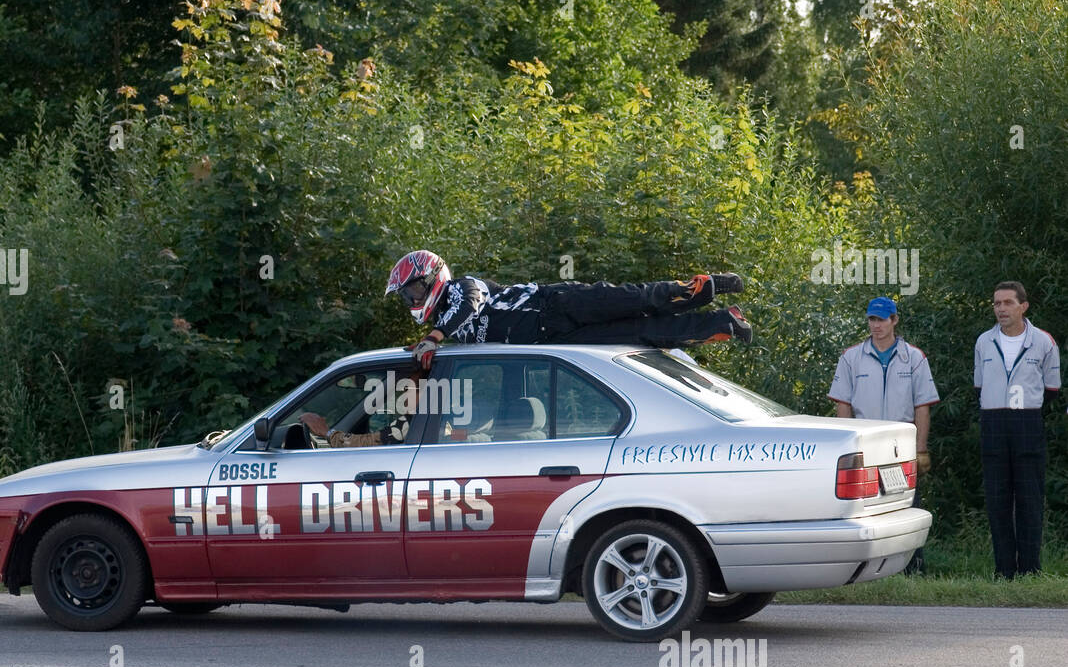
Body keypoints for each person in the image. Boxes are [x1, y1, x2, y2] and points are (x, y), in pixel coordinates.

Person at [385, 250, 753, 369]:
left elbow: (470, 305)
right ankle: (722, 324)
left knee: (635, 298)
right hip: (557, 339)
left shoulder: (464, 287)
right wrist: (422, 355)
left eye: (415, 288)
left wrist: (433, 338)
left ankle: (703, 288)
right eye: (407, 295)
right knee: (640, 334)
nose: (414, 299)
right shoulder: (447, 333)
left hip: (554, 303)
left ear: (434, 275)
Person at [828, 296, 939, 573]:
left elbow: (922, 406)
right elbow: (843, 404)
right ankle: (866, 570)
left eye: (881, 320)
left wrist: (921, 449)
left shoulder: (913, 357)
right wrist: (847, 446)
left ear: (894, 320)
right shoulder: (851, 357)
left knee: (906, 507)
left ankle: (913, 567)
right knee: (866, 510)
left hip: (901, 446)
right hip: (865, 445)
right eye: (872, 320)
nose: (875, 326)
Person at [974, 281, 1061, 578]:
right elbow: (980, 386)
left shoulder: (1043, 341)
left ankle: (1030, 570)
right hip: (993, 423)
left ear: (1023, 306)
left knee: (1029, 499)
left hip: (1028, 423)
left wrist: (1026, 409)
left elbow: (1051, 388)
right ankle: (1004, 571)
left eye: (1007, 303)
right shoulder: (984, 341)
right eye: (997, 303)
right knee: (997, 499)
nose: (1001, 309)